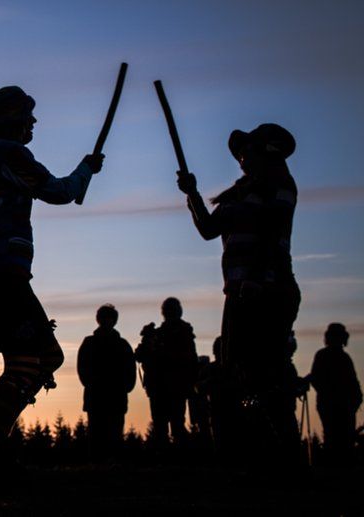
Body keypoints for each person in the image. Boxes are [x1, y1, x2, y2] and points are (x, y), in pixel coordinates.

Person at [0, 85, 104, 468]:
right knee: (36, 359)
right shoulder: (11, 154)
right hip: (3, 278)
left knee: (37, 358)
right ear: (14, 121)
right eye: (28, 117)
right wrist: (87, 169)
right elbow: (59, 191)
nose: (33, 124)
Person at [177, 123, 302, 465]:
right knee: (239, 374)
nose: (241, 158)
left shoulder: (279, 186)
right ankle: (253, 456)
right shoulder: (238, 195)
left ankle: (286, 456)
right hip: (239, 294)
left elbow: (273, 234)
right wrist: (192, 193)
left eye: (247, 151)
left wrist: (258, 279)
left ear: (264, 153)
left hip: (269, 290)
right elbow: (207, 229)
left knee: (266, 374)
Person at [134, 297, 197, 446]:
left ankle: (175, 459)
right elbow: (139, 356)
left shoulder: (184, 333)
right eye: (168, 310)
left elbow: (190, 361)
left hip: (175, 386)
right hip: (159, 386)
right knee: (162, 425)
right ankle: (166, 458)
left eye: (172, 310)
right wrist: (146, 340)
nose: (170, 314)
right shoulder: (157, 334)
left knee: (175, 424)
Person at [77, 305, 136, 461]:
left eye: (109, 317)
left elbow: (131, 369)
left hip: (117, 396)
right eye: (103, 317)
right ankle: (96, 465)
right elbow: (82, 368)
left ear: (114, 320)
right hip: (95, 396)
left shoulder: (123, 344)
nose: (106, 321)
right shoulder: (89, 342)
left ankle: (114, 464)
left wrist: (126, 387)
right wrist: (91, 384)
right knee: (96, 434)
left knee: (115, 434)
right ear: (98, 320)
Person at [308, 323, 362, 467]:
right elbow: (316, 379)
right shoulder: (325, 356)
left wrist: (355, 400)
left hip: (344, 406)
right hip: (332, 406)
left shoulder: (343, 358)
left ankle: (340, 470)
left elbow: (353, 383)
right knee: (335, 438)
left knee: (342, 440)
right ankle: (335, 470)